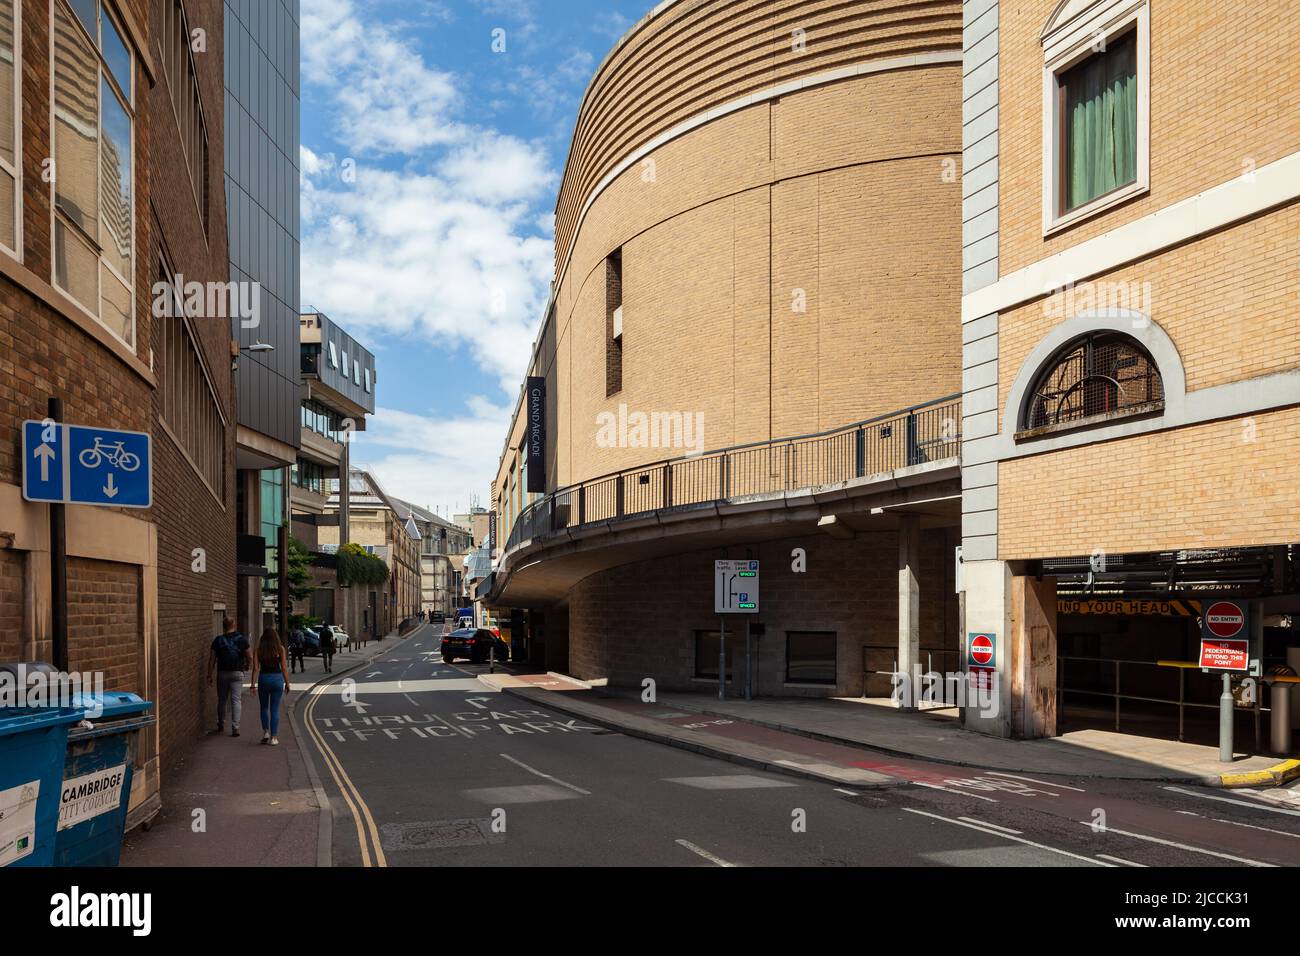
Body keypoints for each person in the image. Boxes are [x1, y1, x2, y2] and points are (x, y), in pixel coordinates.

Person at [206, 617, 251, 737]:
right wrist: (247, 666)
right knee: (236, 700)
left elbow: (212, 660)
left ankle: (221, 723)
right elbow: (249, 656)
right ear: (234, 625)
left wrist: (209, 674)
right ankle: (235, 727)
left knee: (222, 700)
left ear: (223, 626)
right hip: (237, 673)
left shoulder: (218, 640)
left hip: (222, 673)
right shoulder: (242, 639)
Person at [250, 628, 291, 746]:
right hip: (277, 679)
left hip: (264, 679)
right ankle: (274, 738)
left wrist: (253, 685)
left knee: (263, 708)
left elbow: (256, 669)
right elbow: (284, 668)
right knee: (275, 709)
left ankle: (266, 732)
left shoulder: (258, 650)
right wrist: (287, 683)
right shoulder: (280, 649)